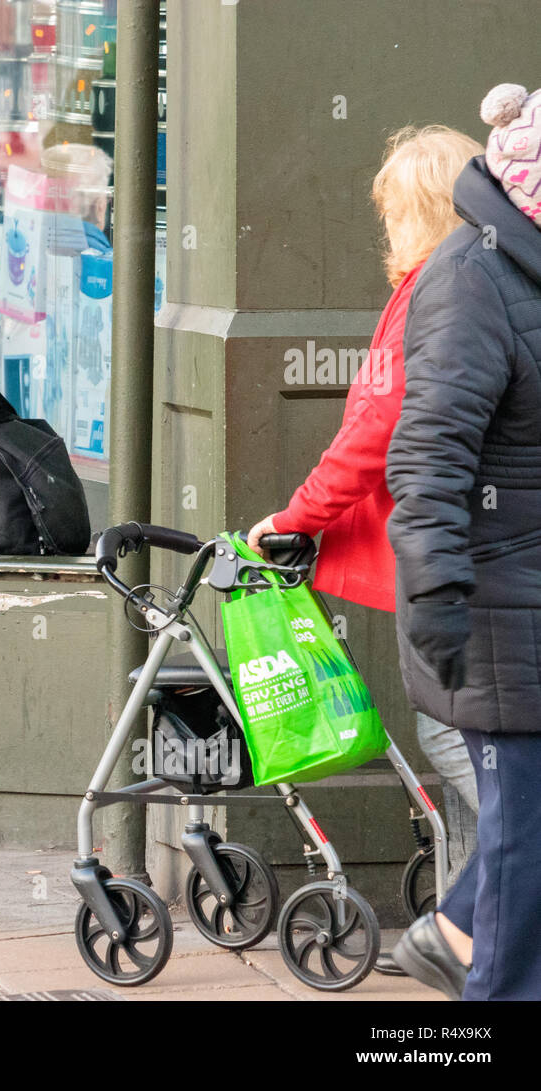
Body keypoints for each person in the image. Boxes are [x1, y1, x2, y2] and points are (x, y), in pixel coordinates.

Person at [246, 125, 484, 975]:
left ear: (417, 209)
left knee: (457, 734)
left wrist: (296, 516)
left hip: (449, 553)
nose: (382, 223)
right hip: (469, 547)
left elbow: (377, 430)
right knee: (454, 737)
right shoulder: (474, 285)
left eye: (390, 207)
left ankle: (489, 916)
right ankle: (461, 933)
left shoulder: (435, 292)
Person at [386, 84, 541, 1001]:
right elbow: (430, 453)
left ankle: (451, 932)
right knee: (524, 858)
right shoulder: (471, 277)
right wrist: (438, 596)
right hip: (497, 618)